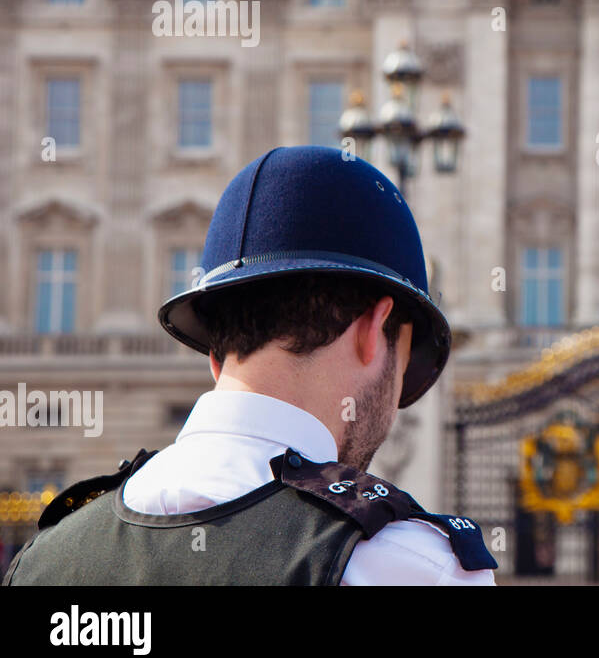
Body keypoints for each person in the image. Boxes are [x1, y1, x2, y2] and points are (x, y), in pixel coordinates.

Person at [4, 146, 496, 585]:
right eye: (404, 367)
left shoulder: (44, 559)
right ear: (373, 330)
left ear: (216, 356)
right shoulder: (414, 569)